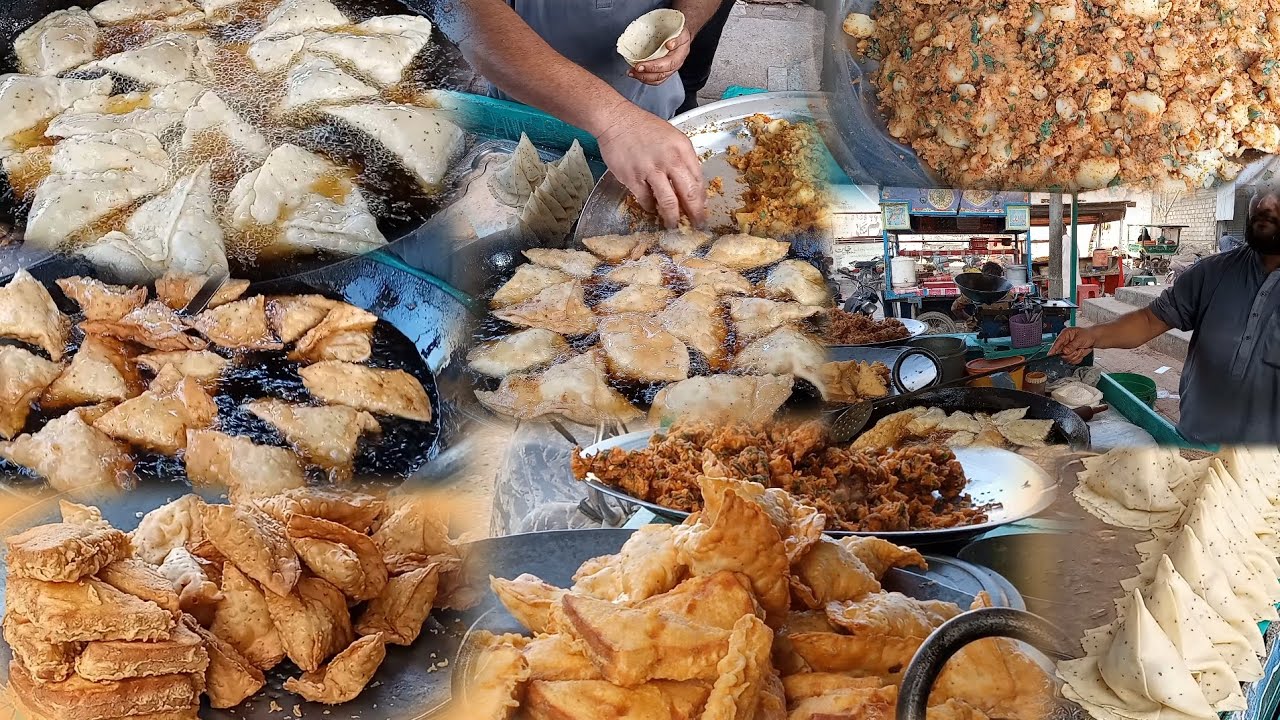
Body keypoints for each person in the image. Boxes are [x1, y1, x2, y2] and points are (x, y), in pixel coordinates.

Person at [441, 1, 733, 229]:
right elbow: (463, 11)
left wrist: (685, 25)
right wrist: (616, 121)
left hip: (653, 115)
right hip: (530, 112)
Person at [1052, 185, 1280, 444]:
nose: (1265, 203)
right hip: (1195, 443)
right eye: (1260, 192)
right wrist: (1091, 335)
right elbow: (1150, 320)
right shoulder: (1213, 273)